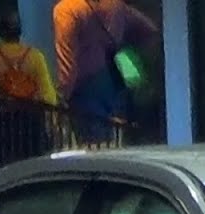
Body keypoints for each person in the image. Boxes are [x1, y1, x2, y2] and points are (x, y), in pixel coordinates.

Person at [53, 0, 159, 144]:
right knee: (117, 143)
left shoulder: (66, 10)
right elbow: (150, 29)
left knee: (92, 150)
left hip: (84, 90)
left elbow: (67, 63)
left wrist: (61, 96)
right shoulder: (115, 5)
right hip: (115, 81)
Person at [0, 8, 58, 165]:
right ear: (19, 31)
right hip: (30, 123)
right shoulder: (34, 56)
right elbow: (48, 96)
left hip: (2, 125)